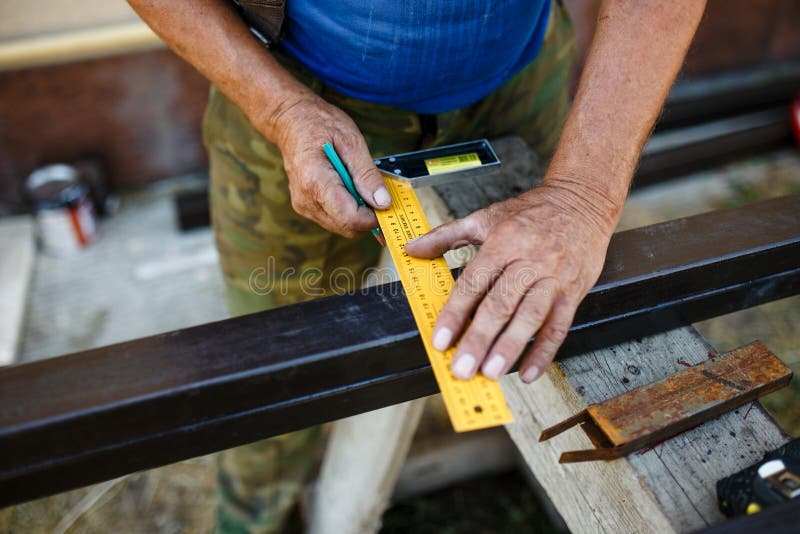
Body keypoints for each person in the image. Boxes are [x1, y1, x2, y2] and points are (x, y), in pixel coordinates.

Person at [128, 0, 706, 531]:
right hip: (296, 88)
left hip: (517, 81)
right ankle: (253, 518)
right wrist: (280, 108)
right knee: (272, 373)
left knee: (532, 319)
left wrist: (582, 195)